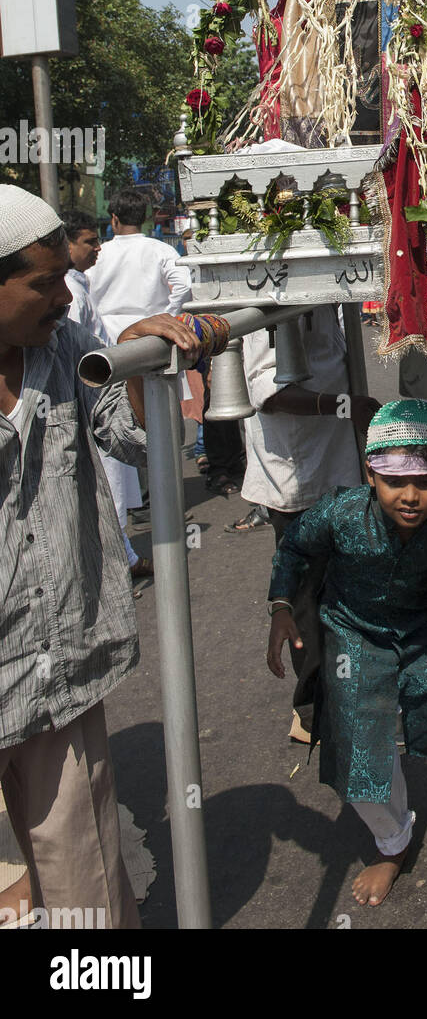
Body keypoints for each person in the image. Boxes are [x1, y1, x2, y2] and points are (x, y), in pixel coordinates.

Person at [0, 184, 200, 928]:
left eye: (64, 276)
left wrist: (144, 364)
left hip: (60, 667)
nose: (64, 294)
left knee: (85, 886)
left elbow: (140, 444)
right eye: (43, 282)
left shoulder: (69, 349)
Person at [266, 399, 427, 907]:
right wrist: (280, 606)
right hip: (352, 635)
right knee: (361, 751)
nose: (410, 497)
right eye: (394, 482)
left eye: (426, 483)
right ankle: (393, 843)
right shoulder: (339, 512)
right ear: (371, 475)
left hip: (423, 628)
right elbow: (294, 547)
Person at [239, 307, 371, 741]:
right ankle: (313, 709)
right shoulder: (266, 309)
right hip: (297, 473)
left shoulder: (323, 293)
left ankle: (350, 691)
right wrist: (343, 405)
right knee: (306, 600)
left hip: (336, 462)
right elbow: (267, 392)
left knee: (344, 587)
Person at [61, 210, 150, 583]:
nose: (98, 248)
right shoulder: (66, 294)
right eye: (89, 241)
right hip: (86, 390)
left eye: (98, 239)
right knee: (105, 490)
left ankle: (124, 558)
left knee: (112, 485)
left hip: (103, 388)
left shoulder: (78, 283)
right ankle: (119, 564)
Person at [87, 187, 192, 344]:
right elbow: (184, 285)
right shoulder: (162, 250)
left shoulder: (98, 254)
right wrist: (169, 316)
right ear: (144, 218)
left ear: (114, 218)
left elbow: (84, 290)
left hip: (108, 336)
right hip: (154, 335)